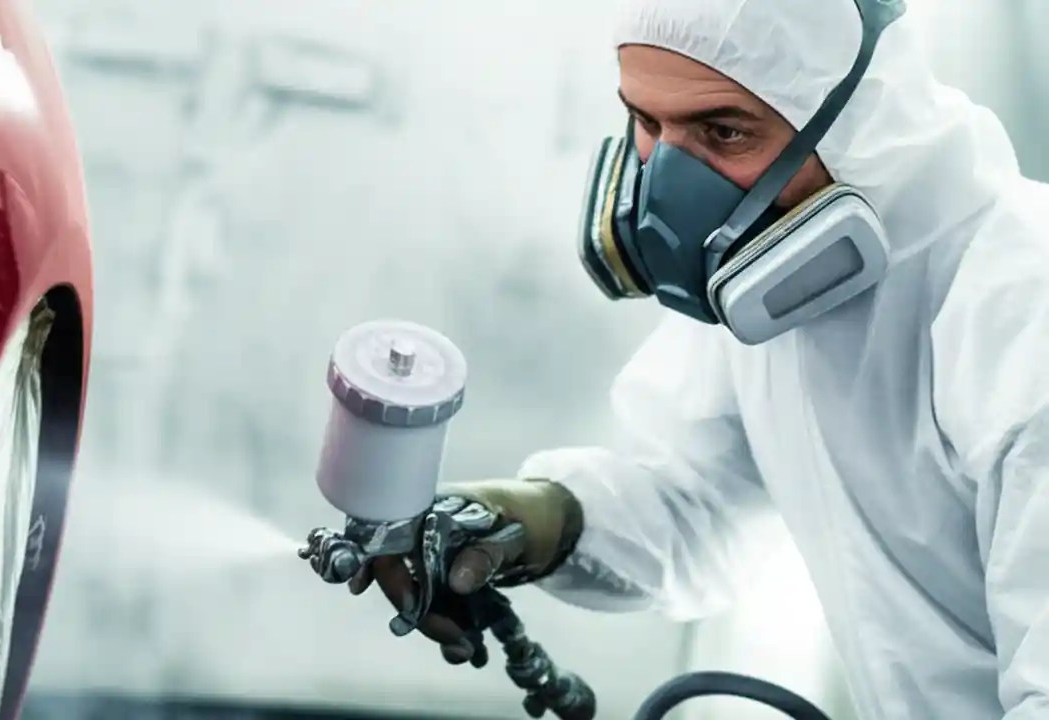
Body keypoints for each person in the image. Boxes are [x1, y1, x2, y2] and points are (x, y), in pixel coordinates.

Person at [349, 1, 1049, 718]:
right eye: (649, 125)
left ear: (857, 125)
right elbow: (706, 510)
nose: (671, 192)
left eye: (722, 130)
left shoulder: (1021, 315)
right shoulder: (773, 277)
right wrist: (533, 522)